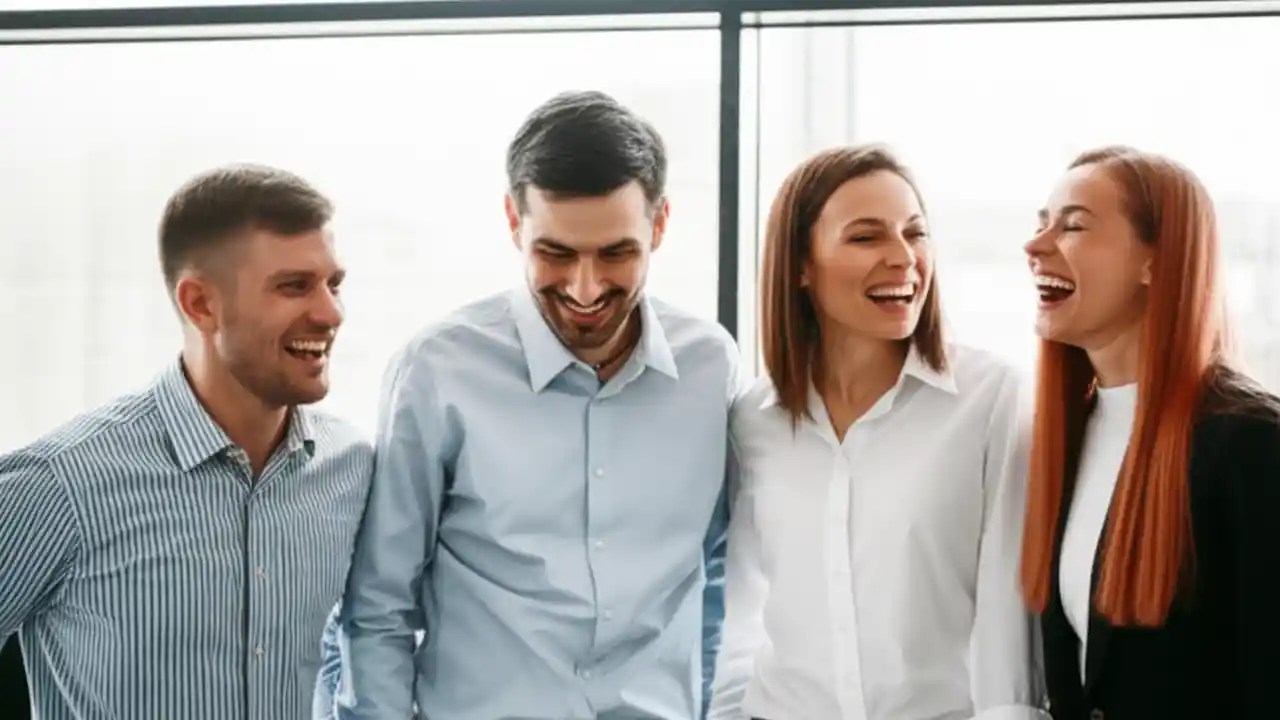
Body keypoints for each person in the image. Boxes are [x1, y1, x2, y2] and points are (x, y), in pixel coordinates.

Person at [328, 90, 738, 720]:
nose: (585, 287)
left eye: (617, 253)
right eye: (556, 253)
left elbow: (723, 577)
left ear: (659, 225)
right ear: (514, 222)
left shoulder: (712, 368)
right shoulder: (439, 371)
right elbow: (378, 608)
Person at [0, 164, 373, 719]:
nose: (330, 313)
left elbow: (351, 658)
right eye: (294, 286)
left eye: (333, 284)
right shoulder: (58, 484)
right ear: (200, 304)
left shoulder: (353, 467)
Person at [709, 145, 1047, 720]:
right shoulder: (753, 420)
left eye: (915, 234)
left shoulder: (993, 398)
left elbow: (1010, 623)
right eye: (866, 238)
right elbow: (738, 611)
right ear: (800, 265)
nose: (904, 259)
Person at [1021, 146, 1280, 719]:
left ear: (1155, 262)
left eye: (1074, 225)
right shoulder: (1064, 439)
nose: (1035, 245)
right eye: (1042, 223)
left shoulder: (1253, 445)